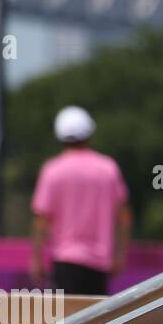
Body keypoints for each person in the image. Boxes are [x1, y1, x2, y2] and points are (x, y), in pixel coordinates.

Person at [29, 106, 131, 295]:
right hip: (100, 263)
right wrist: (119, 255)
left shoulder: (53, 171)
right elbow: (124, 216)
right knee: (97, 323)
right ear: (89, 134)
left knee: (66, 323)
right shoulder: (108, 169)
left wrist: (36, 259)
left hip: (66, 261)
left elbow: (41, 219)